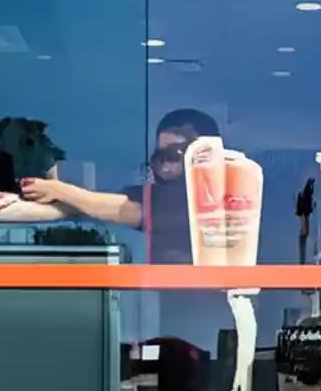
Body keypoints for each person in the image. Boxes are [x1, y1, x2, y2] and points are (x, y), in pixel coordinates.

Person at [20, 110, 227, 375]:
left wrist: (60, 190)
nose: (166, 164)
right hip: (171, 309)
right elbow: (92, 206)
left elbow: (123, 209)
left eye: (177, 152)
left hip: (209, 310)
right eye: (160, 154)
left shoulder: (208, 198)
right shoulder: (159, 195)